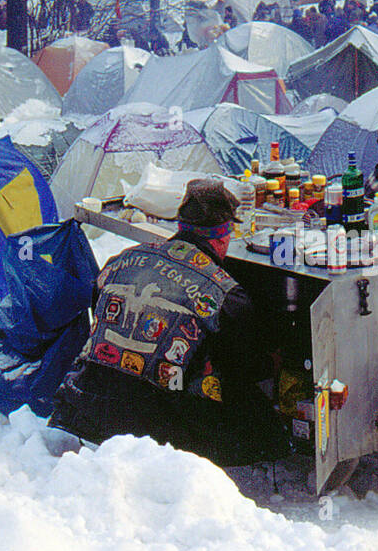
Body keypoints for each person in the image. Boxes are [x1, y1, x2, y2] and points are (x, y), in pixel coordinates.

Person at [50, 180, 290, 467]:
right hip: (148, 427)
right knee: (268, 432)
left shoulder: (120, 261)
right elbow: (240, 368)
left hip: (82, 404)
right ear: (223, 236)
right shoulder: (225, 293)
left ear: (180, 225)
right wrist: (271, 363)